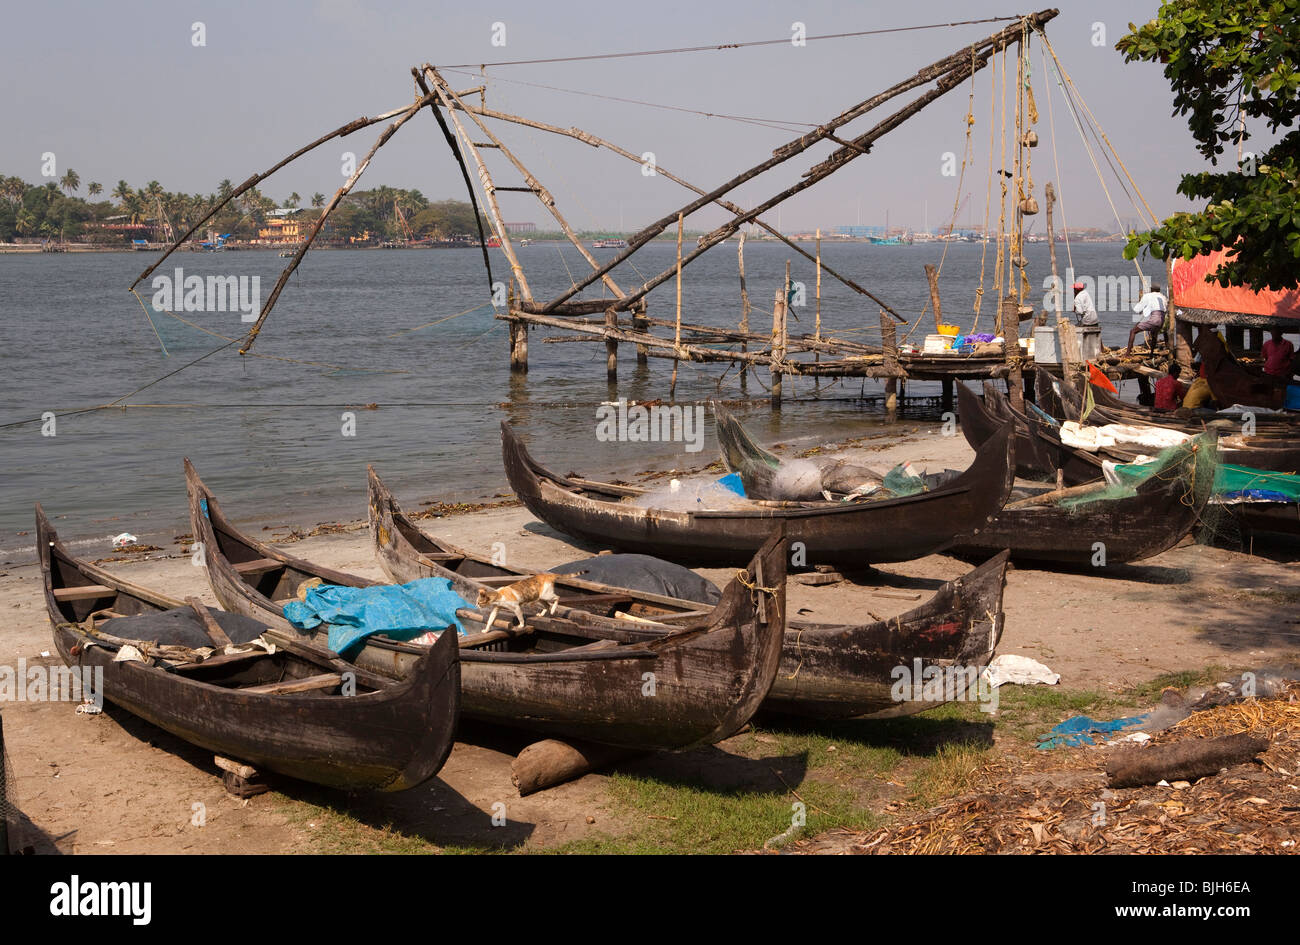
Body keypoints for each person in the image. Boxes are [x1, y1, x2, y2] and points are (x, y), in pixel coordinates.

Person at [1127, 284, 1168, 352]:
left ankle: (1127, 354)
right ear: (1159, 290)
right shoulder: (1163, 297)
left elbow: (1138, 309)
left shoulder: (1148, 295)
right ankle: (1151, 354)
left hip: (1154, 318)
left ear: (1151, 290)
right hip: (1161, 320)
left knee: (1133, 331)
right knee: (1154, 334)